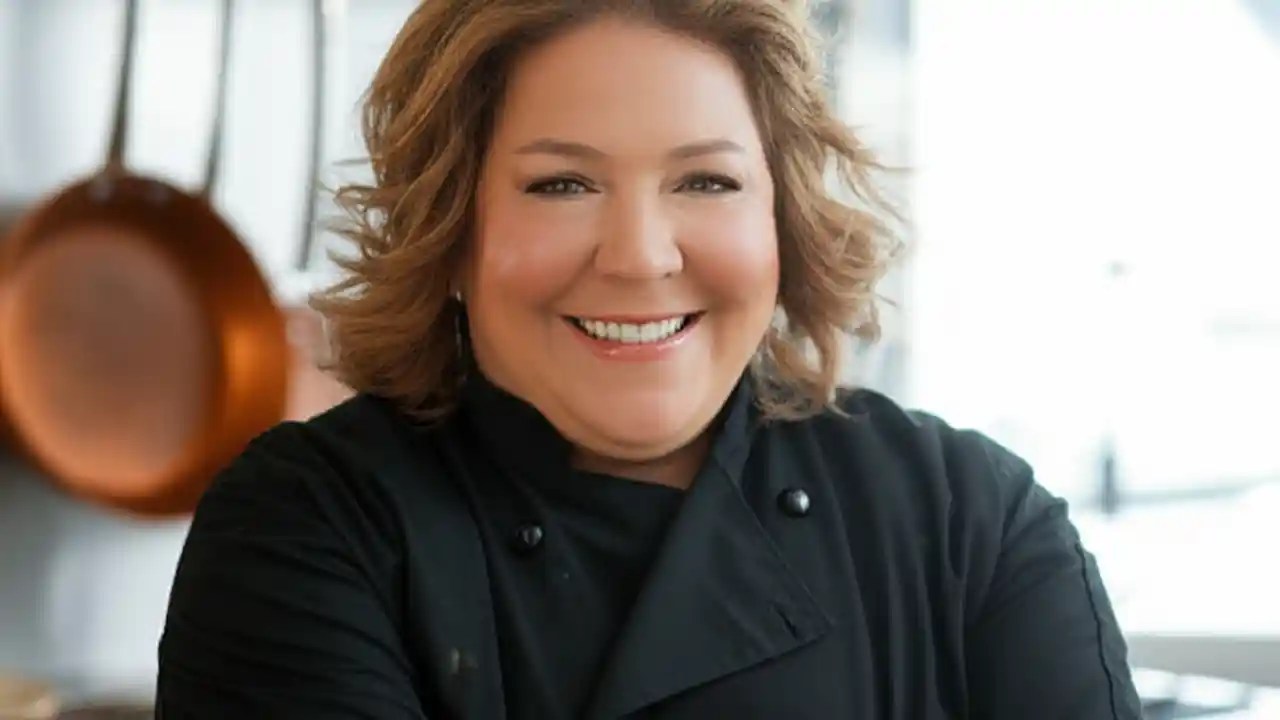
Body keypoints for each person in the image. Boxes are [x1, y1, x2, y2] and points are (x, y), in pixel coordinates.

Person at [156, 1, 1143, 718]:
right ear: (451, 228)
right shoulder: (311, 527)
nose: (638, 256)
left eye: (705, 179)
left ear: (781, 219)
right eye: (562, 184)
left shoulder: (968, 521)